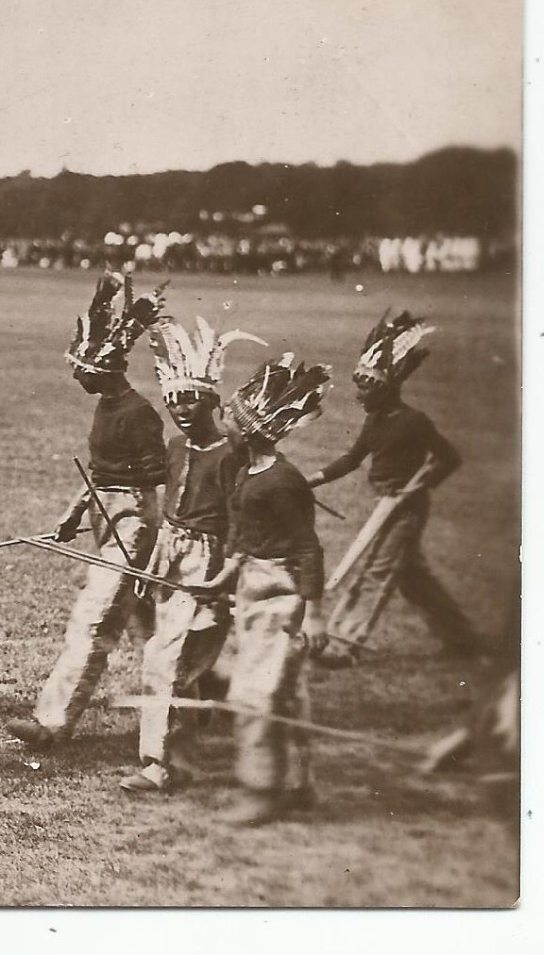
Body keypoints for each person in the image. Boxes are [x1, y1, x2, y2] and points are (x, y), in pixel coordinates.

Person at [8, 271, 167, 751]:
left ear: (109, 368)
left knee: (95, 617)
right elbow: (99, 473)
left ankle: (53, 722)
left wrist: (126, 511)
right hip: (106, 514)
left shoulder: (138, 413)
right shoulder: (105, 404)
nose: (77, 376)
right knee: (147, 622)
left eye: (84, 369)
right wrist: (75, 513)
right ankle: (200, 690)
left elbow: (159, 476)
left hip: (133, 522)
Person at [119, 316, 260, 794]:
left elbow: (241, 522)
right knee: (174, 656)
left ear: (214, 401)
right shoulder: (177, 446)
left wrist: (223, 578)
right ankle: (190, 731)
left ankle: (159, 762)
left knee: (166, 661)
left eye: (191, 398)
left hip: (208, 567)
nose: (180, 408)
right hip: (171, 559)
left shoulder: (229, 455)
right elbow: (165, 501)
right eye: (173, 398)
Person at [202, 353, 332, 826]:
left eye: (231, 420)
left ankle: (262, 789)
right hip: (253, 587)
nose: (224, 425)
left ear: (251, 430)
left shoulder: (282, 481)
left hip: (283, 592)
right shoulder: (246, 472)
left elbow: (307, 548)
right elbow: (243, 533)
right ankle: (299, 782)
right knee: (284, 691)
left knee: (256, 694)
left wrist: (314, 614)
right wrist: (225, 576)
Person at [307, 311, 479, 666]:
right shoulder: (375, 420)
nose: (361, 393)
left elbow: (449, 457)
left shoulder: (413, 422)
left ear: (388, 389)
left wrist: (416, 488)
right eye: (360, 384)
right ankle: (462, 637)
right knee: (412, 578)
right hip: (383, 502)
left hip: (406, 508)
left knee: (377, 572)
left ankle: (346, 644)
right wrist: (311, 479)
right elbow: (352, 459)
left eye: (369, 386)